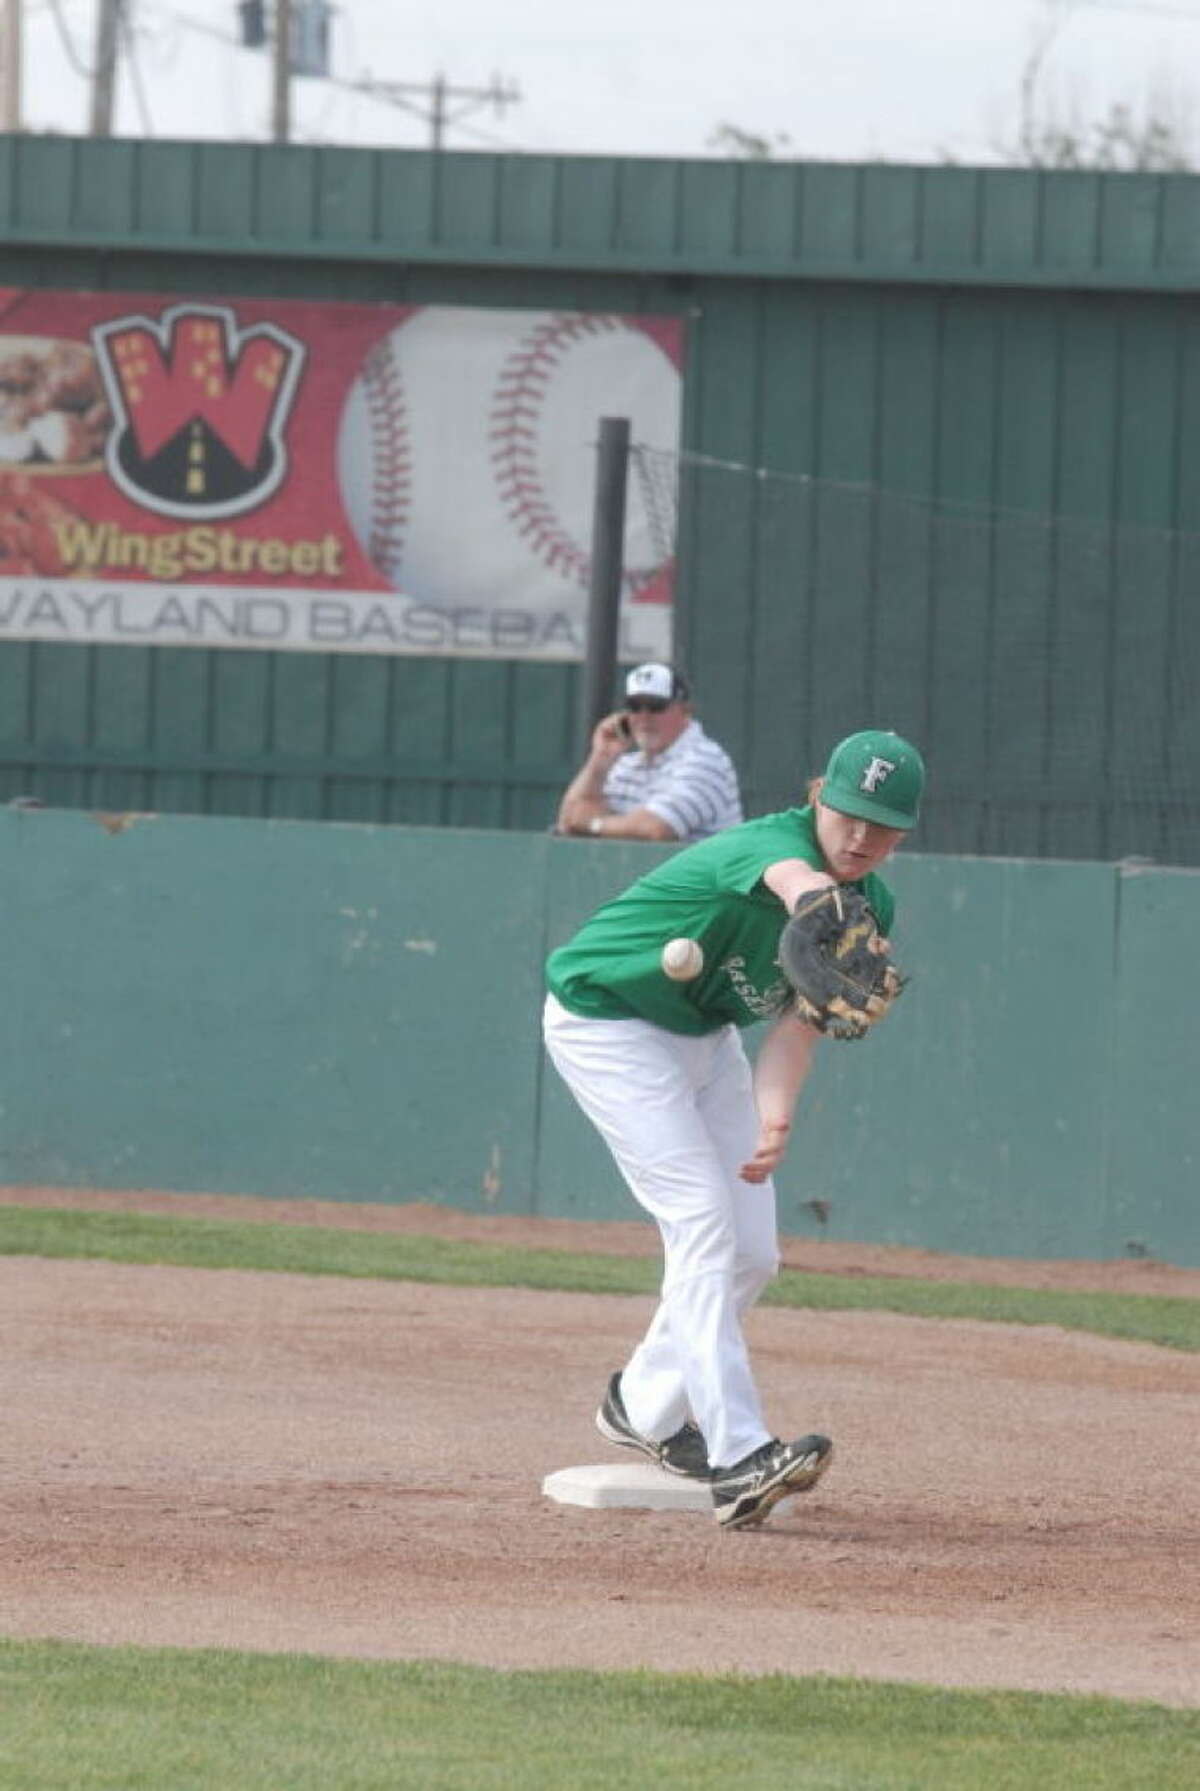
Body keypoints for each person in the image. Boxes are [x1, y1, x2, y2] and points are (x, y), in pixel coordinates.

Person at [543, 728, 925, 1530]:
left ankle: (641, 1405)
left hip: (705, 1039)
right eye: (848, 813)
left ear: (905, 830)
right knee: (703, 1225)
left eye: (882, 825)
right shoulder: (769, 846)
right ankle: (740, 1453)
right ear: (820, 797)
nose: (860, 837)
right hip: (606, 1020)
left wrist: (774, 1111)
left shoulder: (872, 902)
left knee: (753, 1250)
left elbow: (794, 1027)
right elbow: (791, 881)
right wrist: (816, 898)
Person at [554, 662, 743, 843]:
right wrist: (599, 760)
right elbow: (568, 820)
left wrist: (592, 824)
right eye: (634, 707)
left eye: (656, 706)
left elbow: (656, 828)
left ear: (685, 711)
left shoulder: (705, 759)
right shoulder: (625, 764)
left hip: (706, 875)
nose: (644, 717)